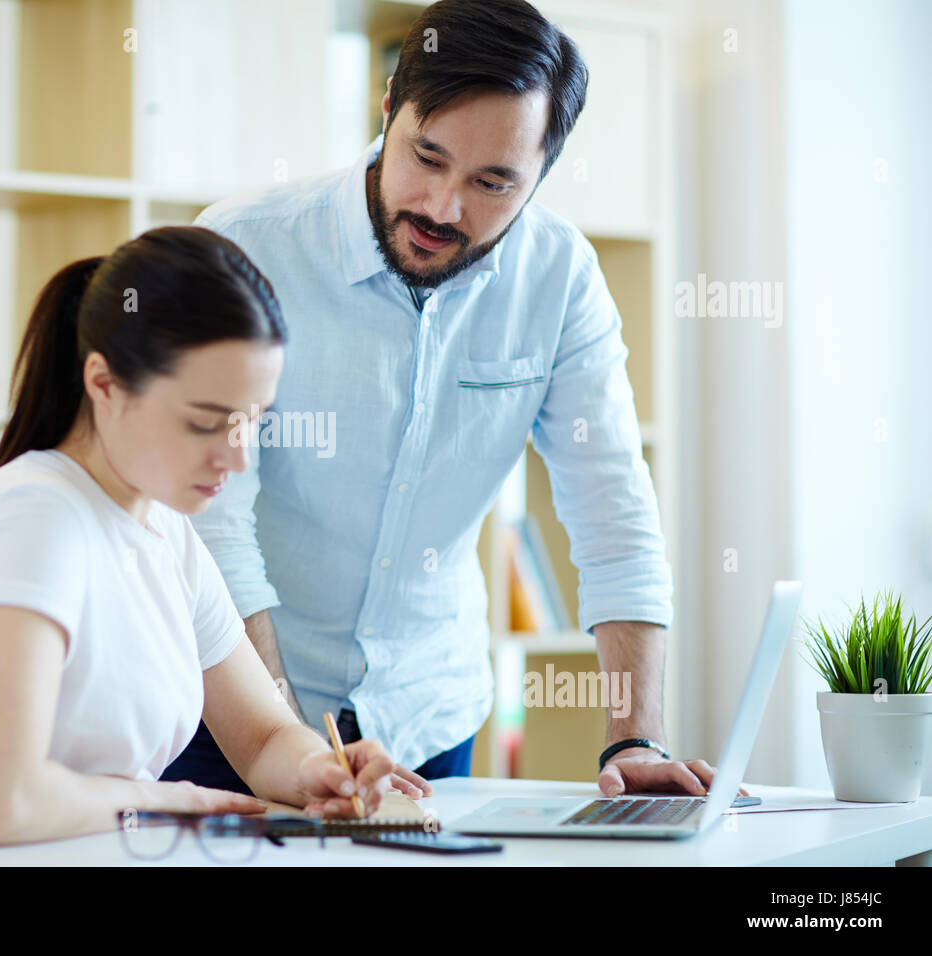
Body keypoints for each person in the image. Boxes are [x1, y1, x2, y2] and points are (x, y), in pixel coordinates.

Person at [163, 0, 745, 802]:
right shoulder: (247, 247)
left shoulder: (558, 278)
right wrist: (288, 748)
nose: (442, 208)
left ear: (541, 173)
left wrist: (634, 735)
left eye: (492, 182)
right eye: (426, 158)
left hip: (429, 725)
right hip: (229, 714)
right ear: (388, 105)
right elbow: (213, 524)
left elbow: (614, 516)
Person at [0, 227, 395, 852]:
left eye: (252, 422)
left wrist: (314, 770)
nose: (238, 459)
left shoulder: (166, 530)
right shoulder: (34, 516)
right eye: (206, 422)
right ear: (104, 385)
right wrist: (172, 802)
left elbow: (263, 737)